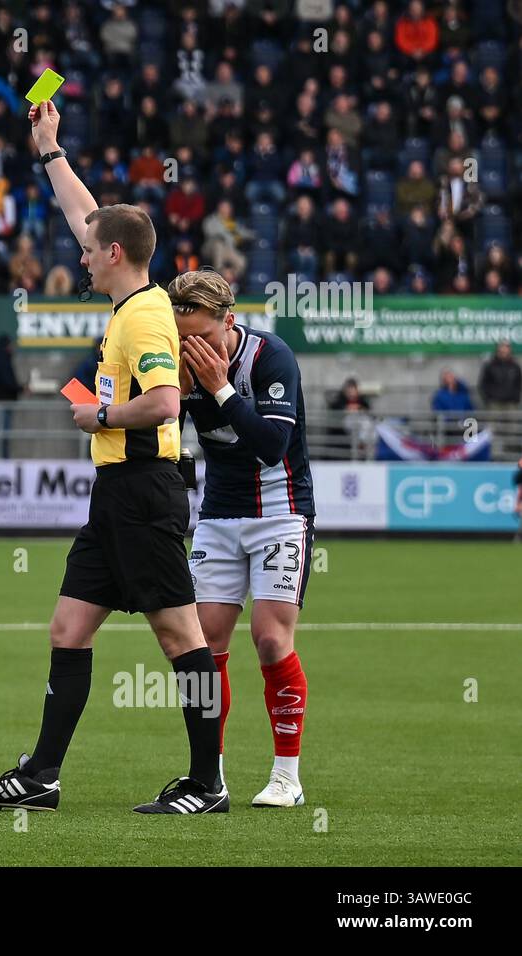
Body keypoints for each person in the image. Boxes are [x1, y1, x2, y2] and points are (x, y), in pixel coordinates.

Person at [0, 99, 226, 816]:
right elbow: (89, 217)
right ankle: (41, 776)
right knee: (68, 629)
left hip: (145, 492)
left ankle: (208, 784)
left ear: (113, 256)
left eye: (87, 247)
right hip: (116, 495)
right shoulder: (131, 289)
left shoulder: (143, 315)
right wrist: (50, 152)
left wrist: (99, 415)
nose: (78, 252)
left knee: (180, 637)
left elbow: (167, 403)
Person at [171, 269, 315, 807]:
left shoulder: (271, 357)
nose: (194, 349)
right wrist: (176, 402)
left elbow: (272, 444)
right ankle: (213, 777)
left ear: (229, 322)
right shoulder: (178, 360)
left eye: (204, 338)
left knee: (271, 638)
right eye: (184, 338)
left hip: (281, 512)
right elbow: (175, 448)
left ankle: (287, 777)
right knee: (203, 647)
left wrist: (220, 389)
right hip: (219, 515)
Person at [0, 334, 23, 458]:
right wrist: (21, 388)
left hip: (2, 402)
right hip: (2, 403)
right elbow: (7, 382)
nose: (12, 348)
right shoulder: (2, 360)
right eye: (10, 345)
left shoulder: (0, 359)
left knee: (0, 435)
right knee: (1, 435)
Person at [479, 341, 522, 411]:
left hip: (511, 404)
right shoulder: (490, 366)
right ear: (498, 350)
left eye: (506, 349)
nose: (504, 351)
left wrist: (516, 398)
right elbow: (483, 384)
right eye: (502, 349)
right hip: (494, 404)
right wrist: (488, 399)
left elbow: (519, 383)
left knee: (513, 422)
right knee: (493, 422)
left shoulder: (515, 366)